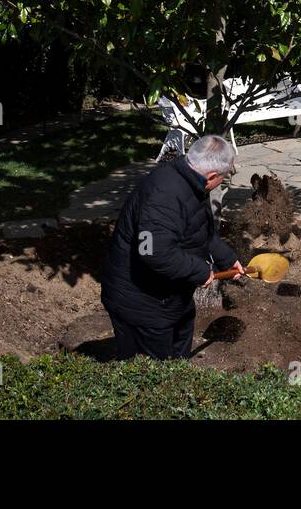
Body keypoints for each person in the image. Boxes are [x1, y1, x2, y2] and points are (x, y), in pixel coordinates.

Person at [101, 134, 244, 360]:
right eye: (225, 177)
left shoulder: (192, 182)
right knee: (151, 375)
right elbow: (151, 250)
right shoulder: (163, 196)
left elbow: (199, 230)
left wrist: (226, 258)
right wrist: (199, 271)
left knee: (178, 356)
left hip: (168, 295)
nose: (223, 181)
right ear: (212, 176)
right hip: (140, 303)